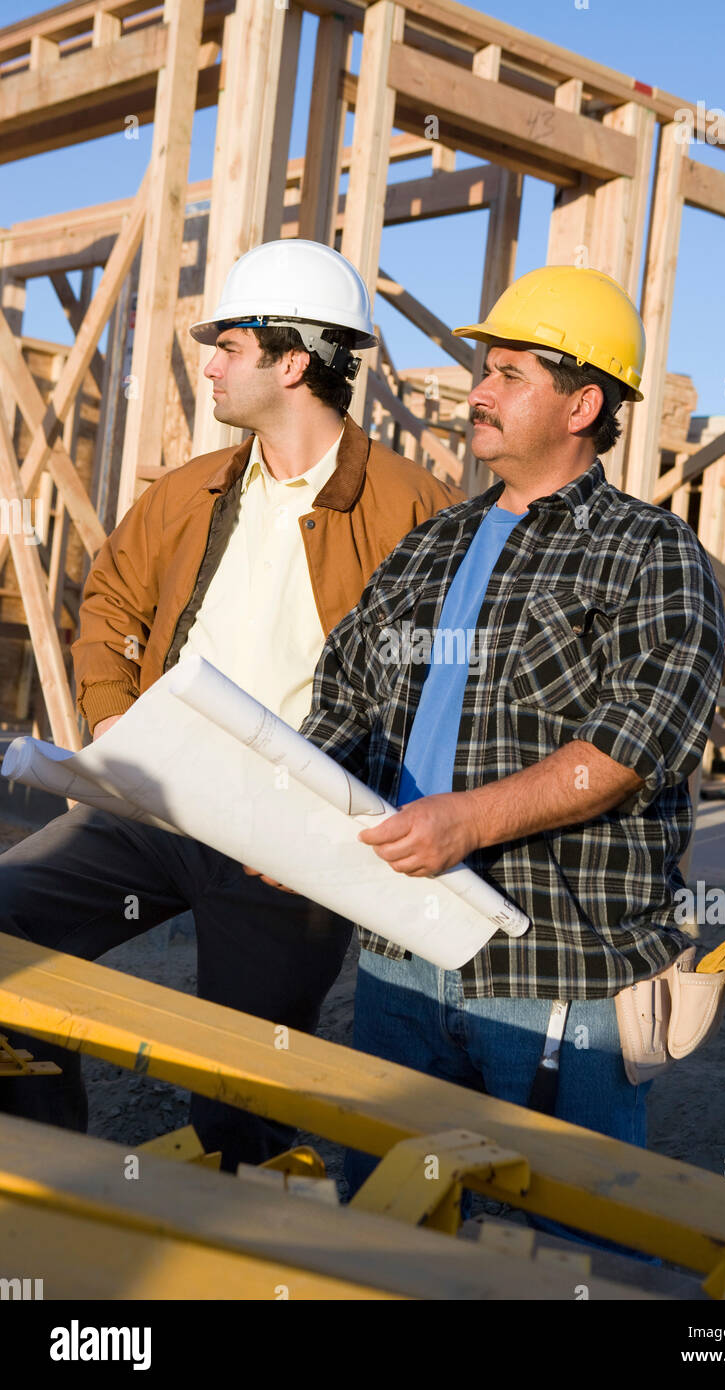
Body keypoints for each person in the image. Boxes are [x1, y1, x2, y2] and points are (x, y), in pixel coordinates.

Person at [0, 239, 462, 1169]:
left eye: (230, 346)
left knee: (246, 1083)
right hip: (158, 806)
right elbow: (113, 603)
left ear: (294, 360)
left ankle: (245, 1218)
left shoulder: (418, 511)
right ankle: (56, 1178)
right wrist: (113, 717)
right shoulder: (191, 491)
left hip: (288, 846)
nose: (207, 363)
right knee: (8, 933)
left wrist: (357, 833)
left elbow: (448, 692)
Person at [292, 265, 725, 1250]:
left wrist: (468, 820)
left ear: (582, 403)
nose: (478, 393)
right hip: (401, 953)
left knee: (583, 1239)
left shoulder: (650, 553)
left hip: (555, 968)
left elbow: (633, 743)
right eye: (483, 371)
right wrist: (280, 807)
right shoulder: (432, 543)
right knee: (386, 1224)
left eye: (509, 374)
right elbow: (346, 695)